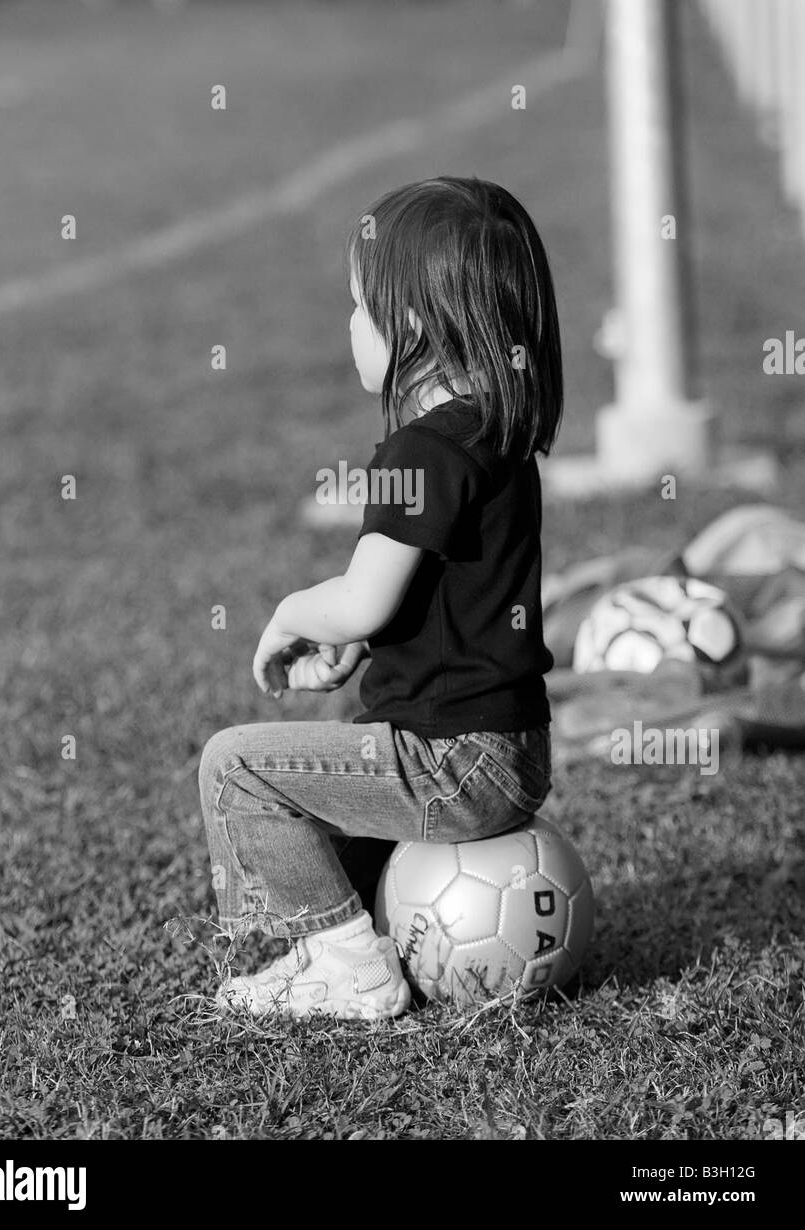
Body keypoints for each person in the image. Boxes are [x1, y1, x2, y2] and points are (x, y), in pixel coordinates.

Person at [199, 176, 564, 1020]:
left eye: (359, 307)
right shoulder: (495, 433)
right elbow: (449, 592)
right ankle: (360, 932)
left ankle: (346, 966)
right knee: (336, 752)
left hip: (452, 761)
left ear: (407, 325)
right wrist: (368, 645)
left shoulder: (419, 448)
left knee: (239, 767)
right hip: (512, 751)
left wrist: (296, 614)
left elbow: (365, 598)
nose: (349, 326)